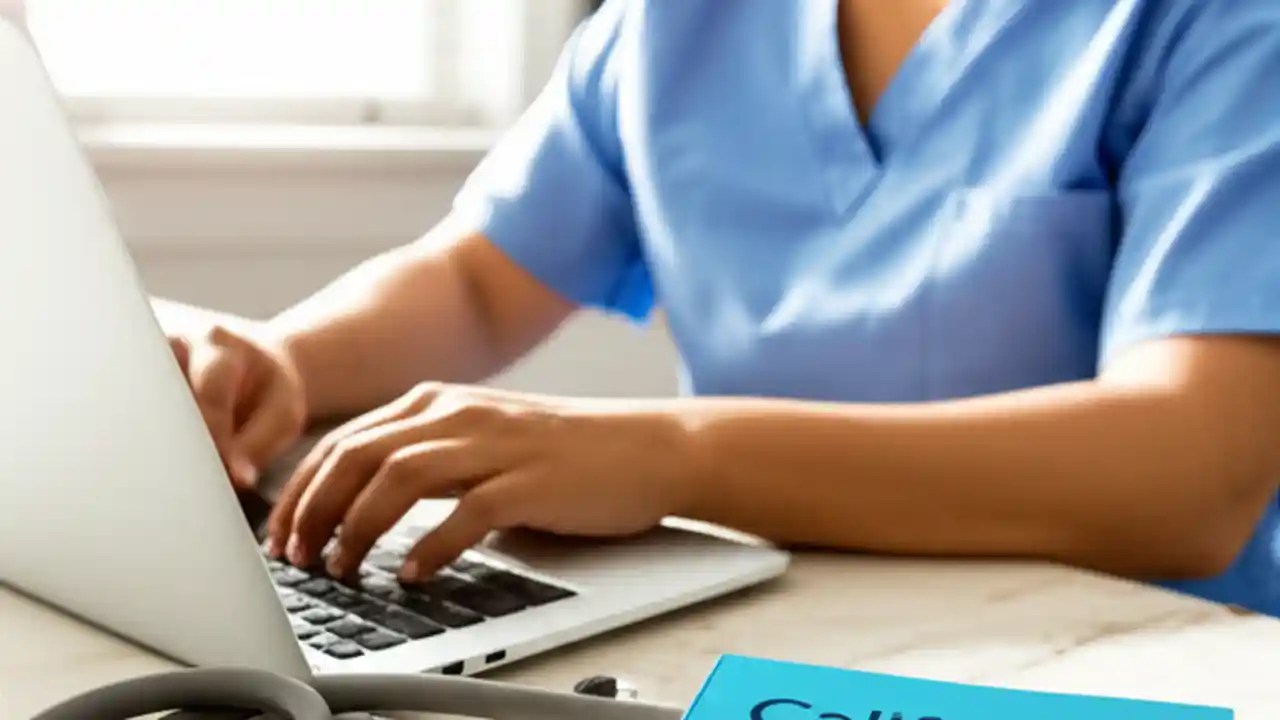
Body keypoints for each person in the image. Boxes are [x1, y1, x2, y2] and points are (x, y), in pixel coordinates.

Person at [166, 0, 1280, 615]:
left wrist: (671, 455)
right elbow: (477, 276)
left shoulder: (1218, 28)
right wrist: (283, 360)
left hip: (1130, 652)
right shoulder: (677, 26)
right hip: (781, 622)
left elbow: (1193, 474)